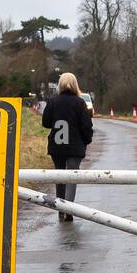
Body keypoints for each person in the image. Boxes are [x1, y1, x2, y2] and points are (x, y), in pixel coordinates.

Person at [41, 72, 93, 221]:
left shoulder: (53, 102)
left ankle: (60, 210)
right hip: (75, 146)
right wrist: (87, 140)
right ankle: (69, 209)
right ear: (76, 84)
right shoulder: (80, 103)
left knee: (60, 177)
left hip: (57, 146)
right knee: (72, 177)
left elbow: (45, 122)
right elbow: (86, 126)